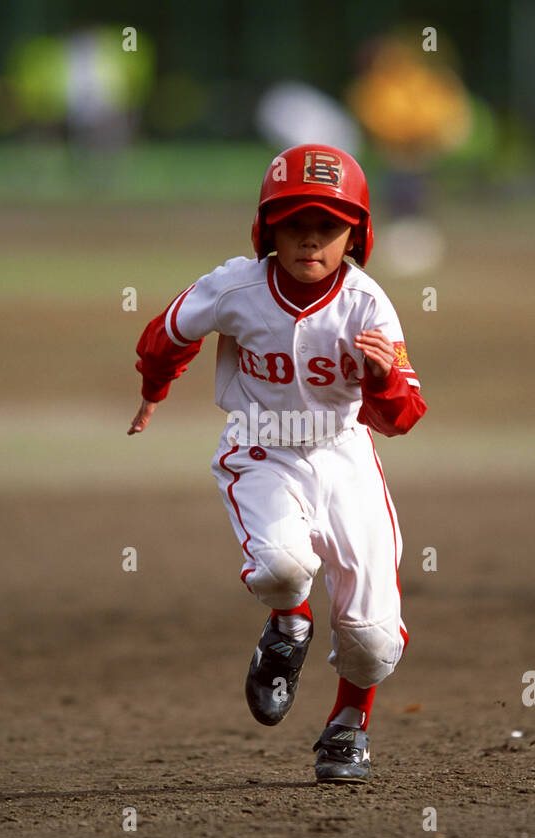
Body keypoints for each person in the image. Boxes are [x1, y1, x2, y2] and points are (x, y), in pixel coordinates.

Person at [127, 144, 427, 783]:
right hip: (262, 445)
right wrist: (154, 390)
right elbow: (168, 332)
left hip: (344, 454)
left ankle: (349, 725)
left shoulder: (368, 306)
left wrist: (381, 381)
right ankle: (290, 623)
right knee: (281, 568)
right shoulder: (237, 285)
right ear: (268, 229)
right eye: (294, 222)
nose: (310, 238)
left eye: (328, 225)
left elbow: (402, 416)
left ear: (357, 234)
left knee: (373, 639)